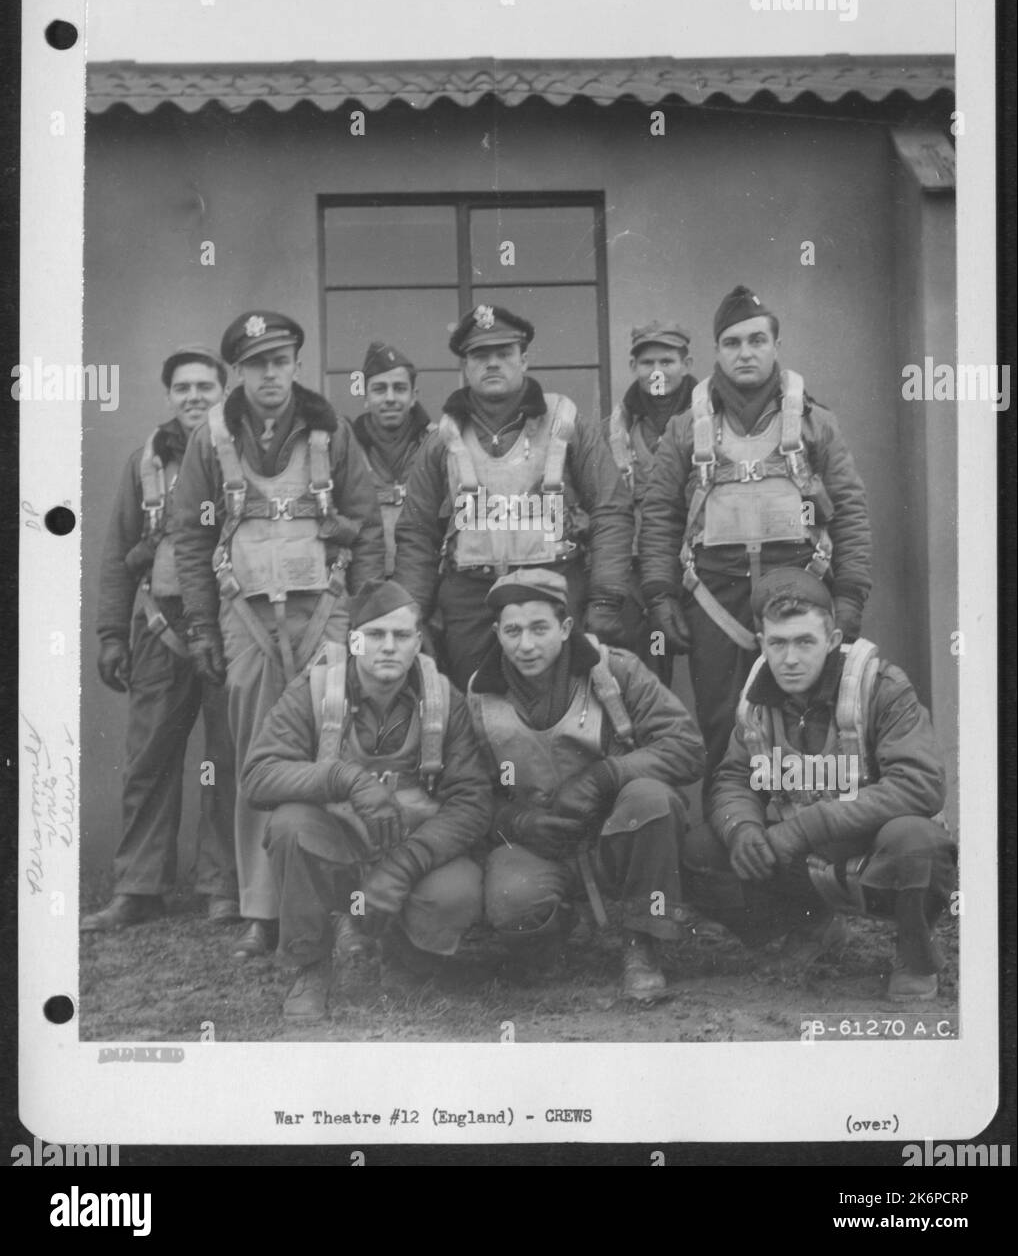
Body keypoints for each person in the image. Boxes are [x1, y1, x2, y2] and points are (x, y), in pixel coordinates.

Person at [173, 311, 385, 959]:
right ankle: (262, 909)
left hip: (324, 611)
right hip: (247, 620)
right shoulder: (212, 440)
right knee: (259, 757)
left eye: (281, 360)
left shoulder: (331, 433)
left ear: (296, 363)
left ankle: (346, 901)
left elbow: (368, 526)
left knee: (335, 746)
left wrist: (372, 621)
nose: (270, 374)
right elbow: (190, 536)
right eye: (257, 363)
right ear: (238, 371)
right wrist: (203, 627)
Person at [683, 568, 957, 1002]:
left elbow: (920, 784)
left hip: (875, 851)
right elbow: (734, 777)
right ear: (762, 642)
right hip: (807, 858)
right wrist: (743, 829)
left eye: (804, 642)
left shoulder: (880, 686)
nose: (790, 659)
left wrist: (805, 826)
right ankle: (811, 924)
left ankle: (914, 950)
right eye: (778, 643)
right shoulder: (757, 700)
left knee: (916, 840)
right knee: (701, 852)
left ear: (831, 642)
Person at [639, 285, 872, 783]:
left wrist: (850, 594)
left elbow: (850, 510)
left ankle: (800, 839)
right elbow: (658, 513)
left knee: (806, 716)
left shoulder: (816, 424)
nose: (745, 353)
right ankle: (728, 843)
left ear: (776, 346)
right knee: (722, 724)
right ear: (717, 351)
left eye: (756, 340)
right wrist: (661, 593)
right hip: (713, 599)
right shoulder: (687, 429)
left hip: (801, 588)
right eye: (732, 343)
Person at [242, 579, 494, 1021]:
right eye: (375, 635)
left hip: (410, 844)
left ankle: (404, 952)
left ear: (418, 642)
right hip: (340, 844)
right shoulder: (315, 690)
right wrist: (345, 777)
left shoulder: (443, 698)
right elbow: (259, 776)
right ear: (353, 641)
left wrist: (403, 866)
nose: (388, 647)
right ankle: (311, 967)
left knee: (455, 894)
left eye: (401, 636)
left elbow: (471, 802)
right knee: (290, 827)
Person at [467, 569, 706, 1001]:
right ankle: (557, 937)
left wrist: (605, 777)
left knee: (651, 800)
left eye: (540, 629)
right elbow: (471, 791)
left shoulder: (614, 671)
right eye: (513, 631)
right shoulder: (480, 695)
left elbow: (687, 748)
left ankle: (642, 945)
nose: (526, 644)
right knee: (512, 903)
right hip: (543, 842)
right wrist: (519, 822)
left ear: (565, 628)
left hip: (614, 834)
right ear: (496, 633)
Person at [394, 304, 634, 691]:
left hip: (554, 589)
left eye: (503, 354)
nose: (492, 364)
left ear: (524, 360)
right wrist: (412, 616)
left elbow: (611, 510)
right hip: (472, 603)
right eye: (479, 356)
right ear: (465, 367)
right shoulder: (442, 440)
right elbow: (416, 533)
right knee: (474, 706)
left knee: (562, 707)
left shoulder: (567, 425)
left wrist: (605, 598)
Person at [84, 345, 239, 932]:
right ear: (169, 395)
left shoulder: (243, 452)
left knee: (227, 755)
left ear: (223, 392)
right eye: (184, 388)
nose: (195, 397)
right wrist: (109, 635)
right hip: (160, 625)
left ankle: (224, 885)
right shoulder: (145, 463)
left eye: (206, 386)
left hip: (230, 622)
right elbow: (117, 555)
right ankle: (139, 887)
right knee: (148, 758)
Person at [603, 320, 696, 676]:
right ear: (633, 367)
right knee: (645, 670)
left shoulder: (711, 420)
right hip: (639, 573)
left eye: (667, 362)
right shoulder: (613, 432)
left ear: (686, 364)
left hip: (702, 567)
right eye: (647, 363)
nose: (657, 371)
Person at [350, 341, 435, 578]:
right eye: (379, 389)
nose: (390, 398)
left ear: (413, 396)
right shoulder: (348, 449)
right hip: (366, 578)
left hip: (427, 578)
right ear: (365, 397)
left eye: (399, 388)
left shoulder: (435, 446)